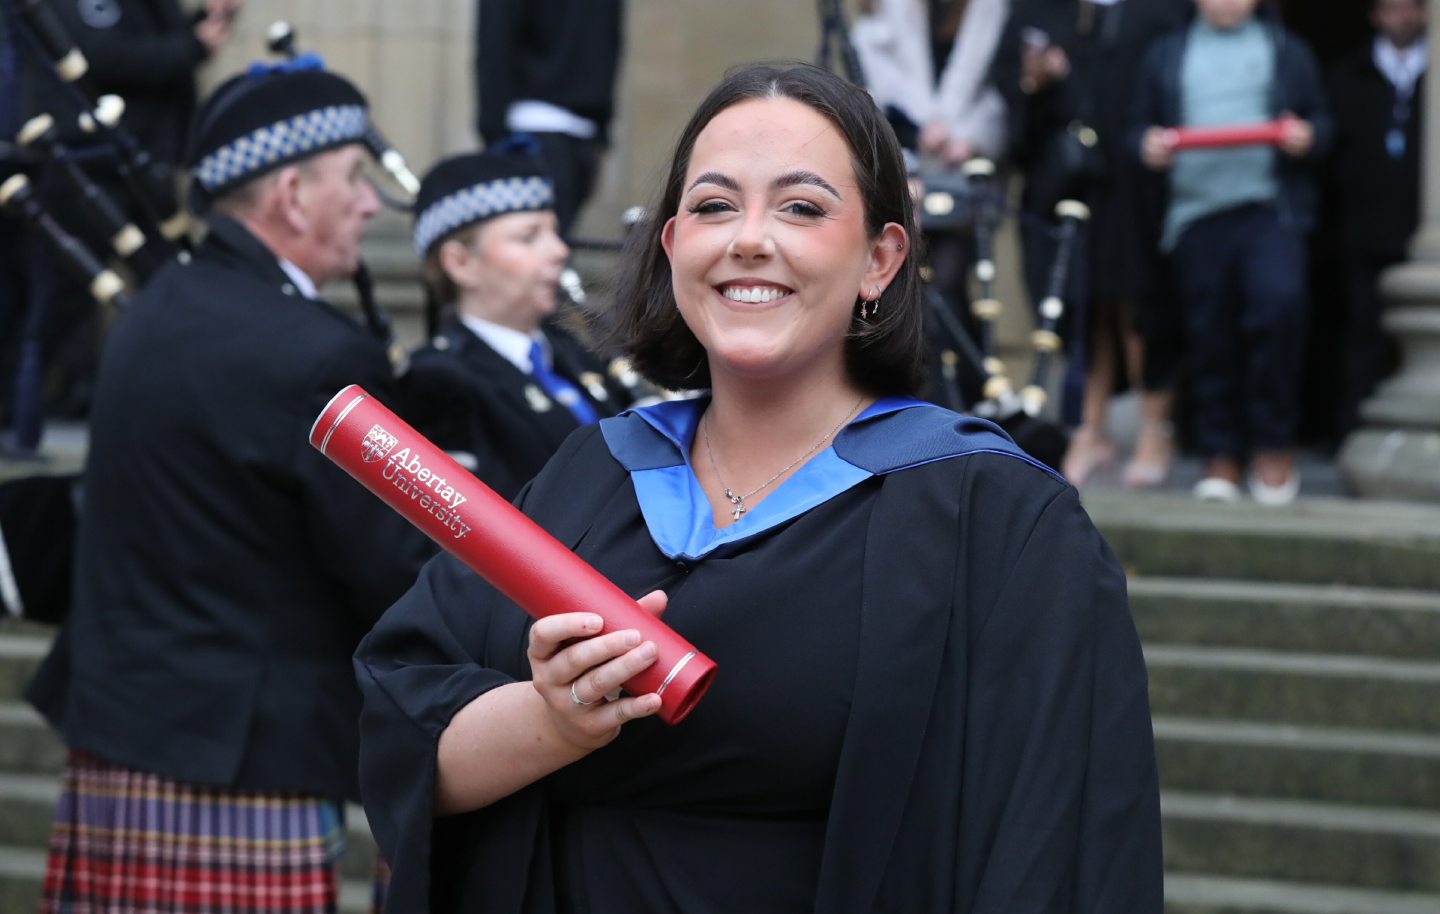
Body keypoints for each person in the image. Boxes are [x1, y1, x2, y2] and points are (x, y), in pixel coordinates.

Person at [355, 62, 1161, 913]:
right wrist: (550, 722)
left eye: (802, 207)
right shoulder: (592, 476)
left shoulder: (998, 520)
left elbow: (1055, 848)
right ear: (671, 250)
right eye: (711, 206)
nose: (747, 238)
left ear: (882, 259)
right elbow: (407, 736)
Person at [25, 64, 432, 913]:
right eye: (352, 179)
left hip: (117, 734)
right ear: (291, 193)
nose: (367, 203)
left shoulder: (154, 310)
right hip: (244, 763)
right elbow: (391, 570)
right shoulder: (316, 356)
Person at [6, 0, 244, 423]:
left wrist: (202, 24)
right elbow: (95, 52)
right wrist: (191, 46)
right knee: (67, 293)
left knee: (169, 281)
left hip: (141, 162)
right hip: (87, 165)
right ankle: (15, 405)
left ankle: (188, 400)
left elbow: (143, 38)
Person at [1134, 0, 1333, 503]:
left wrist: (1306, 136)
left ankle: (1272, 446)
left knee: (1279, 308)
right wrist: (1146, 145)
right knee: (1209, 333)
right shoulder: (1166, 51)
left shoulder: (1289, 48)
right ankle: (1220, 454)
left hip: (1269, 210)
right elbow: (1134, 129)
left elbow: (1325, 125)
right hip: (1194, 216)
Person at [990, 0, 1189, 488]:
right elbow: (1008, 91)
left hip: (1138, 181)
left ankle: (1154, 427)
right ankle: (1089, 427)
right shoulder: (1037, 8)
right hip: (1063, 181)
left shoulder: (1162, 12)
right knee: (1081, 305)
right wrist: (1036, 80)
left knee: (1139, 303)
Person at [400, 150, 632, 501]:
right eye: (528, 237)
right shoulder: (437, 381)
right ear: (460, 263)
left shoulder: (575, 354)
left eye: (555, 232)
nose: (558, 251)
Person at [1328, 0, 1426, 437]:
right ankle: (1352, 431)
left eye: (1412, 8)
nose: (1402, 18)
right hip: (1362, 227)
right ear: (1374, 15)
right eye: (1393, 8)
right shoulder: (1350, 76)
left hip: (1423, 230)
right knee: (1362, 333)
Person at [475, 0, 623, 235]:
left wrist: (494, 138)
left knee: (534, 254)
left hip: (531, 136)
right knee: (547, 251)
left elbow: (495, 45)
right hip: (574, 135)